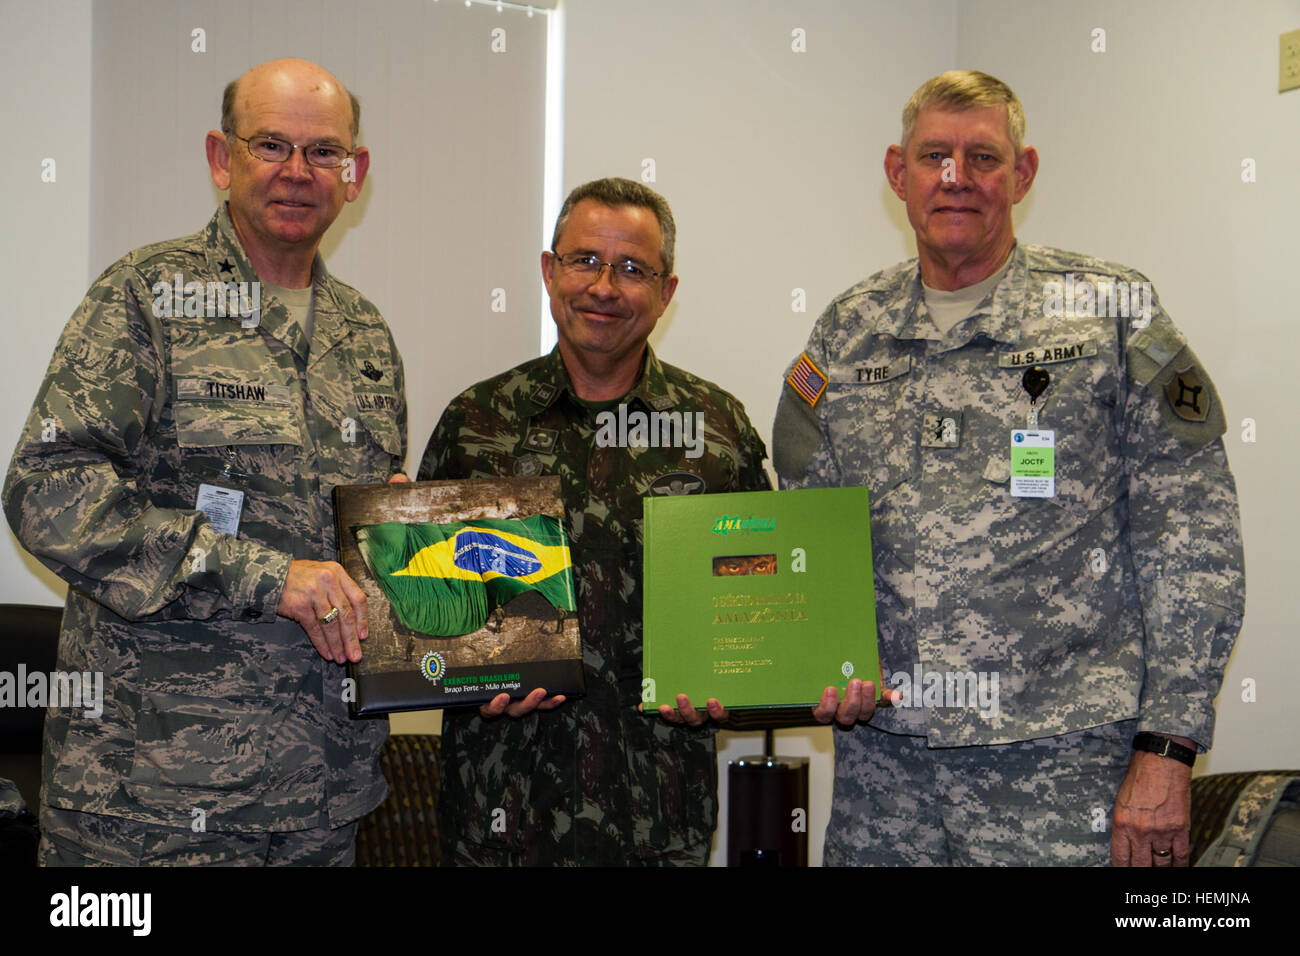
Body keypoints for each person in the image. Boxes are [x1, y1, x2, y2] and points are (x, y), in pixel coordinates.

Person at [773, 70, 1245, 867]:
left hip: (1062, 767)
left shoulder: (1112, 311)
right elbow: (807, 516)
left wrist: (1168, 747)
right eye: (935, 156)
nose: (957, 178)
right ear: (899, 173)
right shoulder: (848, 331)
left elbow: (1192, 534)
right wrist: (817, 658)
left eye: (983, 157)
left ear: (1022, 175)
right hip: (885, 774)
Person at [4, 58, 407, 865]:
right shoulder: (146, 296)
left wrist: (405, 542)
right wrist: (266, 574)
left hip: (320, 801)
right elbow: (46, 491)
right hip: (152, 800)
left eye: (324, 151)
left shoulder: (365, 335)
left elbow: (357, 539)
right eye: (271, 145)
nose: (298, 171)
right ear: (223, 159)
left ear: (355, 174)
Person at [418, 177, 771, 865]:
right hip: (501, 820)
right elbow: (427, 610)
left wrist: (738, 689)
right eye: (584, 260)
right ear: (549, 272)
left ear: (666, 293)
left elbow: (759, 603)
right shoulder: (476, 423)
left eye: (632, 269)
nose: (604, 287)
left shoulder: (717, 431)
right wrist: (459, 677)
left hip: (659, 823)